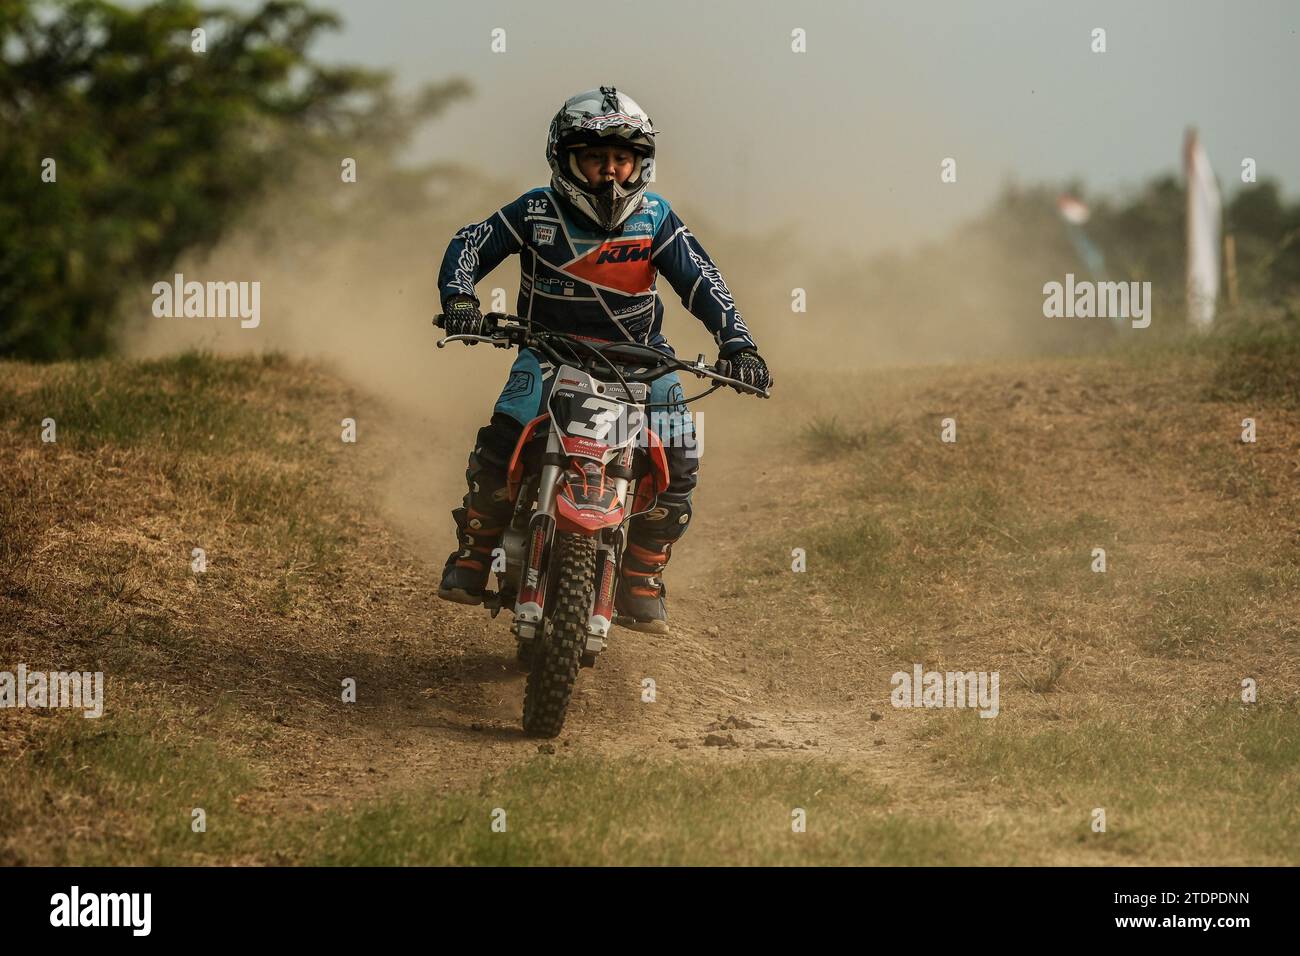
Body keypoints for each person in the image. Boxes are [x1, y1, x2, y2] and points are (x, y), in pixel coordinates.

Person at [435, 86, 771, 635]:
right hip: (547, 352)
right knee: (502, 439)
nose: (609, 174)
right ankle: (475, 553)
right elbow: (469, 245)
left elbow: (704, 283)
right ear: (565, 159)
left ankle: (640, 574)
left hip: (646, 364)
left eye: (622, 159)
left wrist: (740, 346)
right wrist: (461, 302)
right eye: (595, 158)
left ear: (642, 163)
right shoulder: (535, 209)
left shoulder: (657, 218)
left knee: (680, 459)